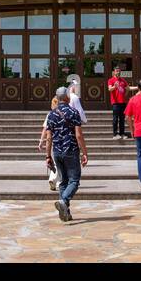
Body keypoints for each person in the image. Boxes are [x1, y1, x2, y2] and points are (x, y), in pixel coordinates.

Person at [40, 86, 88, 221]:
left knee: (63, 182)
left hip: (57, 152)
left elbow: (48, 138)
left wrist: (48, 156)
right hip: (71, 150)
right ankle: (64, 200)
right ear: (67, 97)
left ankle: (65, 211)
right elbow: (78, 135)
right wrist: (85, 153)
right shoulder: (73, 112)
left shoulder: (51, 114)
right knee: (74, 180)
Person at [107, 66, 129, 139]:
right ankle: (115, 134)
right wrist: (115, 86)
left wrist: (138, 88)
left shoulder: (123, 80)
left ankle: (122, 133)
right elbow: (110, 89)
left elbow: (128, 88)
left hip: (122, 102)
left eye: (119, 71)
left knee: (122, 119)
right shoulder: (111, 80)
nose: (118, 72)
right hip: (115, 102)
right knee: (115, 118)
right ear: (114, 72)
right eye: (117, 71)